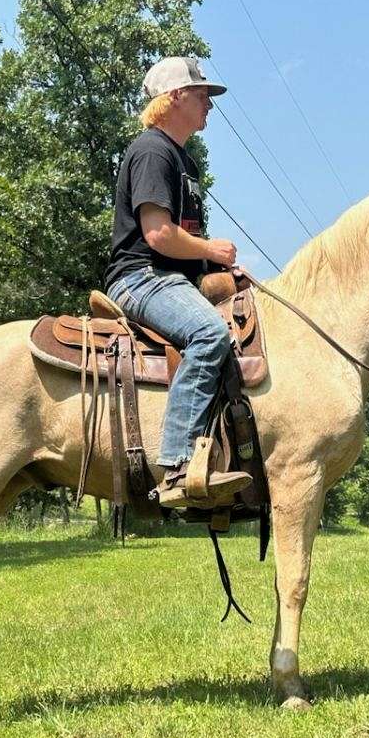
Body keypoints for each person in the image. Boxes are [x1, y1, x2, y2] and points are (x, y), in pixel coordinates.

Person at [104, 57, 252, 508]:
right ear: (174, 98)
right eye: (202, 93)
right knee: (209, 334)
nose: (209, 103)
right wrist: (210, 250)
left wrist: (222, 272)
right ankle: (179, 467)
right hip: (141, 278)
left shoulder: (182, 160)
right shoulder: (152, 150)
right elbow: (158, 235)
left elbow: (181, 243)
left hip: (170, 278)